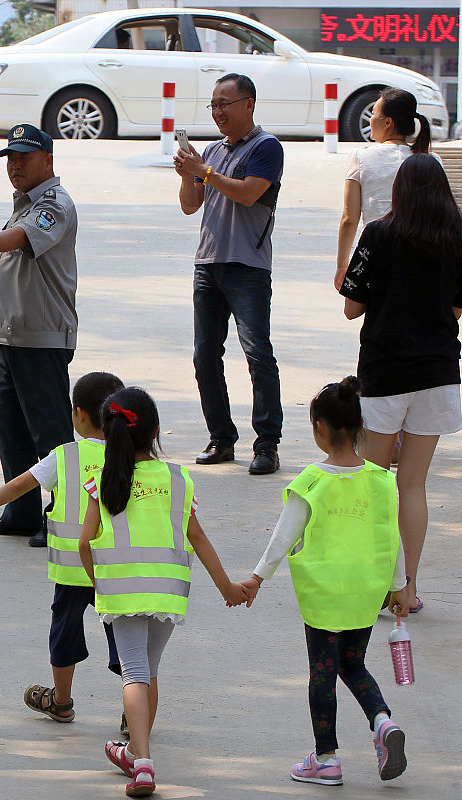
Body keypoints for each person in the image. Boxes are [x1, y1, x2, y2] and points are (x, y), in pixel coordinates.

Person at [77, 387, 249, 797]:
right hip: (169, 593)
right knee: (149, 674)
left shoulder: (102, 482)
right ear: (155, 432)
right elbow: (199, 538)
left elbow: (85, 543)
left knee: (133, 675)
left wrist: (99, 583)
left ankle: (143, 764)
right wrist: (228, 586)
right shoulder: (177, 479)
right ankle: (136, 753)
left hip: (122, 593)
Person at [241, 377, 410, 787]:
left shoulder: (311, 482)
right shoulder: (382, 481)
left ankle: (327, 758)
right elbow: (394, 537)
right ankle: (382, 722)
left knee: (322, 672)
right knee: (353, 664)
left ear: (319, 428)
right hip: (365, 592)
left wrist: (256, 577)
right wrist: (401, 585)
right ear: (359, 427)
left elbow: (283, 537)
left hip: (323, 595)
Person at [339, 153, 462, 612]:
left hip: (385, 373)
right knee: (413, 484)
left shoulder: (379, 234)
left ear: (399, 189)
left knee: (374, 483)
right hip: (438, 373)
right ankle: (408, 588)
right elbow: (456, 306)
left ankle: (376, 586)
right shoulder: (456, 236)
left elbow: (352, 305)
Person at [0, 371, 124, 726]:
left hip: (72, 568)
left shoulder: (66, 456)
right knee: (125, 636)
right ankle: (133, 708)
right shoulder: (133, 457)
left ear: (78, 414)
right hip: (117, 569)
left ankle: (62, 701)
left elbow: (22, 484)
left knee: (65, 629)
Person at [0, 123, 79, 548]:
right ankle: (22, 512)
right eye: (10, 158)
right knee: (12, 428)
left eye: (24, 157)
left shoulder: (53, 205)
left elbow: (22, 239)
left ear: (48, 160)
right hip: (16, 337)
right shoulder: (26, 203)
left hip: (42, 338)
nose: (15, 165)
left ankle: (63, 515)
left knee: (51, 434)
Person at [174, 72, 284, 475]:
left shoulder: (266, 147)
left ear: (248, 104)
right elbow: (190, 205)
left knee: (258, 354)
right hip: (209, 263)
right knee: (205, 356)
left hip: (248, 266)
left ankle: (267, 443)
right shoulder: (212, 151)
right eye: (214, 105)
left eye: (225, 103)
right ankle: (221, 437)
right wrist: (190, 175)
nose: (218, 112)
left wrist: (204, 172)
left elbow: (248, 192)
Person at [335, 88, 432, 292]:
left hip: (378, 254)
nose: (370, 120)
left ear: (388, 122)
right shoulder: (431, 161)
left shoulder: (361, 158)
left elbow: (349, 218)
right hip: (424, 255)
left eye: (375, 114)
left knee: (378, 315)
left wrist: (343, 265)